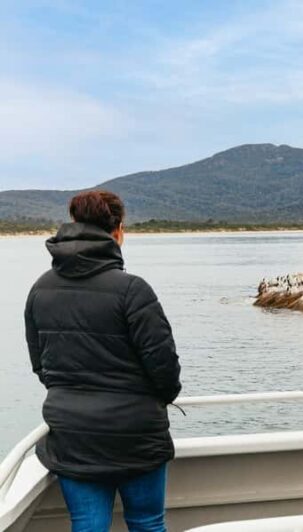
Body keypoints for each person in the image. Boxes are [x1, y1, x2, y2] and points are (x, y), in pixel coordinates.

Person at [24, 190, 182, 532]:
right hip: (136, 435)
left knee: (88, 525)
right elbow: (165, 371)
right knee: (147, 523)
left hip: (74, 436)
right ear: (119, 230)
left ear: (73, 223)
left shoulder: (40, 289)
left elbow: (42, 366)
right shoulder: (133, 291)